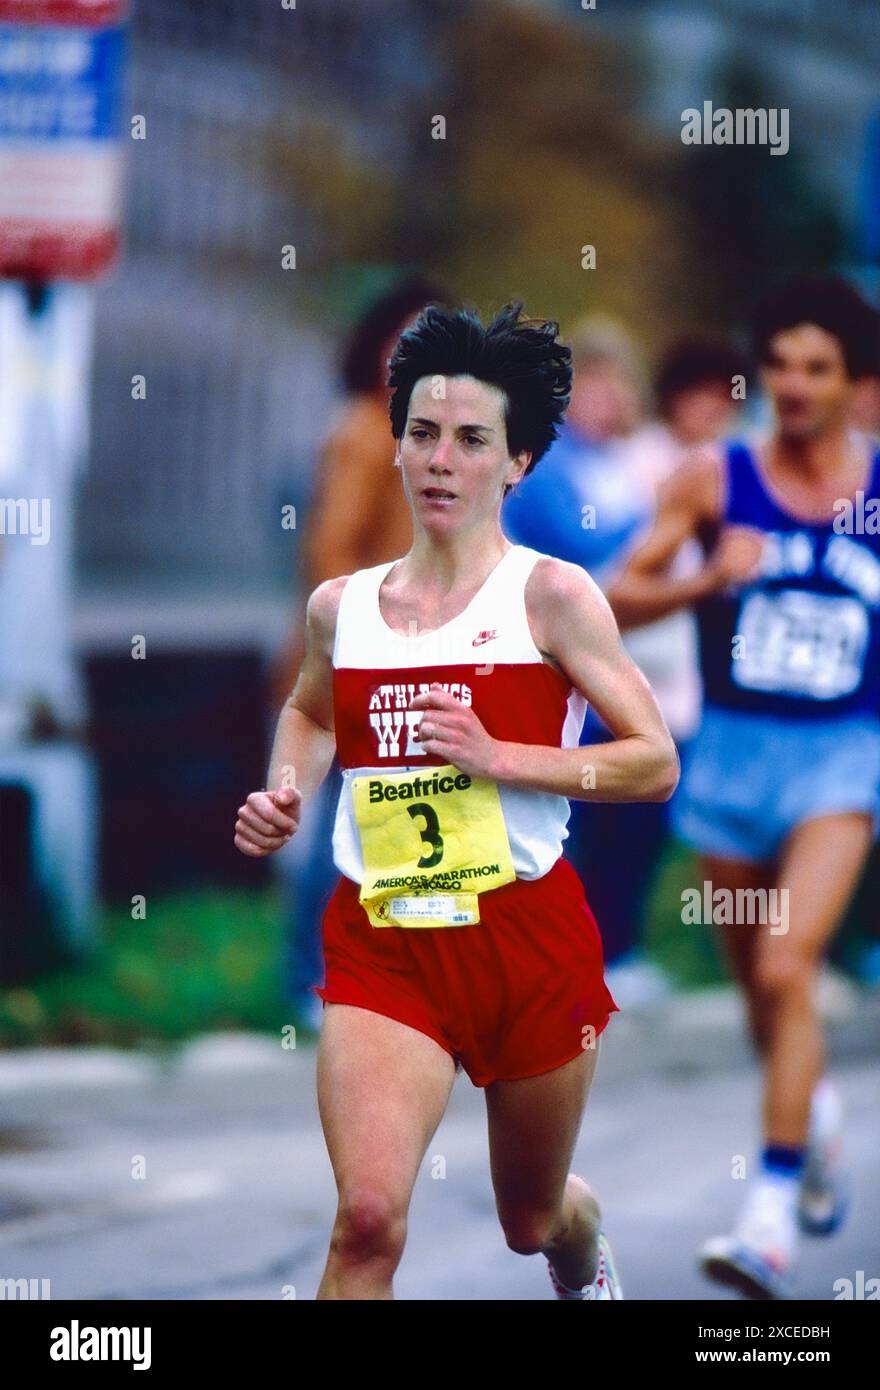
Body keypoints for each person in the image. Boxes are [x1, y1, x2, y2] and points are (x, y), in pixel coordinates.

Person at [235, 301, 678, 1300]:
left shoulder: (552, 597)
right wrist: (284, 791)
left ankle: (581, 1228)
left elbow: (652, 760)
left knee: (529, 1220)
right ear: (395, 445)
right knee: (367, 1220)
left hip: (524, 942)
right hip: (384, 939)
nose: (441, 459)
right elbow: (310, 715)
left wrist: (504, 756)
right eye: (423, 434)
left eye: (472, 440)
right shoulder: (340, 608)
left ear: (517, 461)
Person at [608, 275, 880, 1299]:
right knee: (761, 999)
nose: (796, 384)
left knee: (784, 964)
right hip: (728, 760)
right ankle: (811, 1126)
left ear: (854, 381)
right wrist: (701, 579)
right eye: (779, 364)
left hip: (840, 759)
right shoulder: (712, 480)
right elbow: (610, 598)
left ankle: (765, 1217)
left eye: (819, 366)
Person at [270, 277, 449, 1030]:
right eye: (399, 341)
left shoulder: (414, 432)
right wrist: (362, 635)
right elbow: (329, 549)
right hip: (359, 650)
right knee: (345, 812)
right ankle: (310, 979)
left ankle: (365, 970)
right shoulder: (365, 428)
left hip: (403, 648)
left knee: (385, 810)